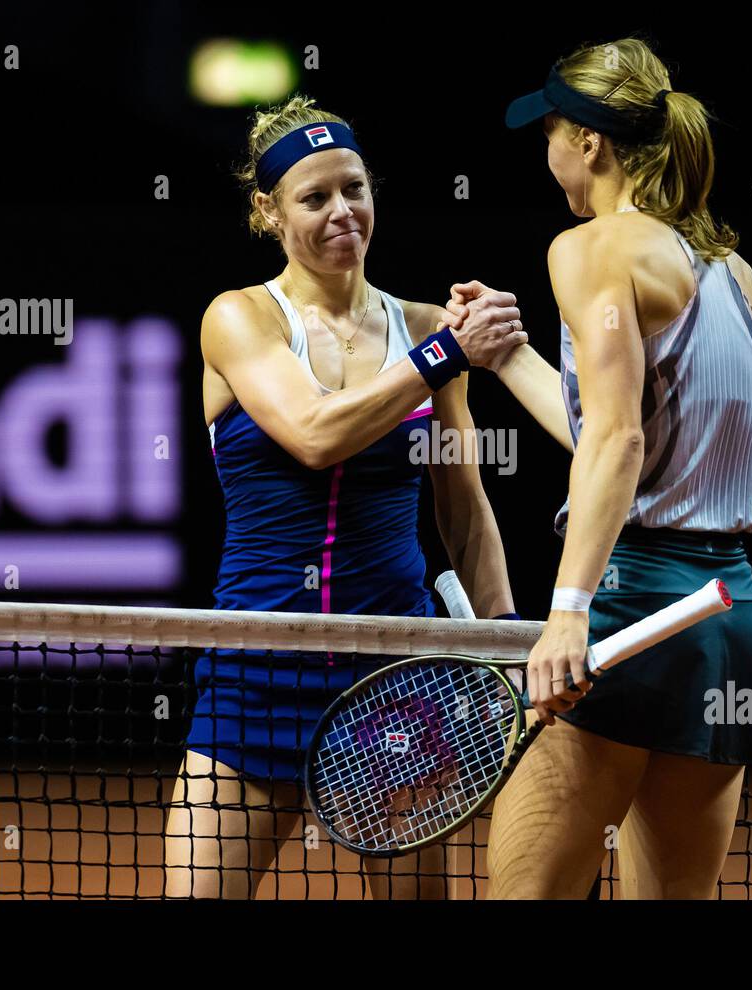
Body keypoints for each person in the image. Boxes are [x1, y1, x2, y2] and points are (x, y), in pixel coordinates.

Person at [164, 96, 526, 899]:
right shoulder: (238, 317)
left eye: (354, 189)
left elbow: (462, 510)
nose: (342, 213)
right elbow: (315, 433)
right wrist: (443, 356)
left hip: (392, 677)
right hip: (256, 671)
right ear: (268, 210)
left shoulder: (426, 325)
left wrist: (505, 647)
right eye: (314, 197)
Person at [447, 38, 752, 898]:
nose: (545, 147)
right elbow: (615, 430)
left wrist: (567, 612)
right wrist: (511, 357)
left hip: (626, 609)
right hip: (723, 619)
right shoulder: (738, 278)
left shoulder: (589, 247)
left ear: (588, 143)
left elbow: (620, 445)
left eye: (550, 128)